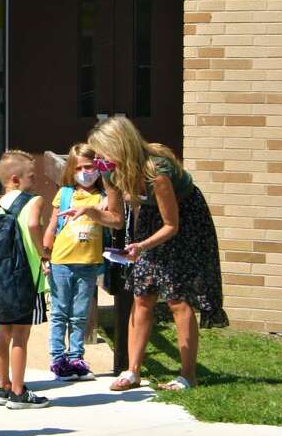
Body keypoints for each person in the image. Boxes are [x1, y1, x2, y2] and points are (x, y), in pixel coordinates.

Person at [82, 116, 228, 392]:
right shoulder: (110, 170)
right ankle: (132, 371)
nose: (99, 159)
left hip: (185, 224)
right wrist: (92, 213)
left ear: (119, 146)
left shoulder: (156, 172)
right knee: (141, 294)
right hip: (150, 220)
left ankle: (187, 375)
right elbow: (115, 217)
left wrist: (142, 245)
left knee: (177, 298)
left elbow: (172, 225)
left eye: (103, 151)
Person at [0, 150, 52, 410]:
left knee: (2, 333)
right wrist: (43, 251)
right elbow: (35, 226)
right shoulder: (33, 200)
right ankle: (18, 392)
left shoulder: (0, 204)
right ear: (15, 178)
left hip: (0, 277)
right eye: (31, 176)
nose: (35, 182)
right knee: (21, 336)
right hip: (25, 276)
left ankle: (3, 386)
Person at [43, 143, 108, 382]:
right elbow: (52, 225)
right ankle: (58, 358)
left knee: (80, 314)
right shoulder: (65, 194)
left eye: (89, 166)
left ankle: (77, 356)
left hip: (89, 263)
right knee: (60, 311)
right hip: (61, 260)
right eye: (79, 167)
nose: (85, 172)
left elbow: (114, 215)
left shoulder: (104, 197)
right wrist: (45, 254)